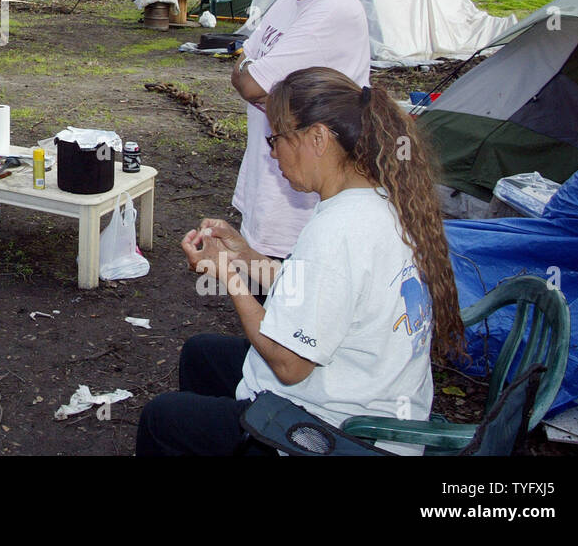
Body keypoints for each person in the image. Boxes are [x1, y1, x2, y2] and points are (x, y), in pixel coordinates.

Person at [135, 67, 465, 456]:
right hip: (375, 396)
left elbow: (290, 365)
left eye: (277, 139)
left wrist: (230, 278)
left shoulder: (337, 231)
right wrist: (244, 256)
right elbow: (322, 292)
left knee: (162, 418)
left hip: (338, 435)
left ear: (318, 138)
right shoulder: (383, 198)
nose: (272, 153)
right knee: (202, 353)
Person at [231, 0, 370, 261]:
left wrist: (251, 71)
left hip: (299, 198)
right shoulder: (293, 0)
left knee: (285, 298)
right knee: (260, 288)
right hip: (269, 177)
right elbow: (244, 56)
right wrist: (251, 68)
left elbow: (250, 83)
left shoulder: (334, 10)